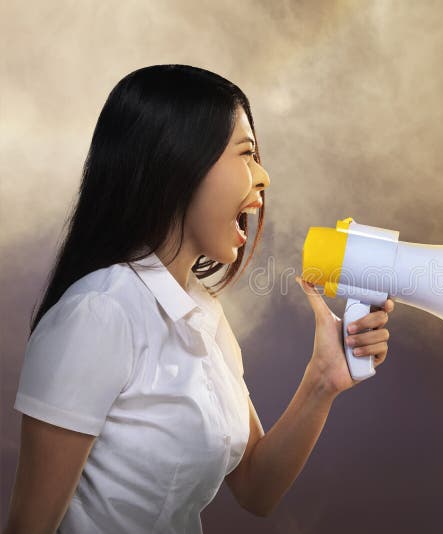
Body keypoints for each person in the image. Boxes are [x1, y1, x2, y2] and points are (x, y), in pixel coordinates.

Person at [4, 64, 393, 533]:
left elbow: (255, 487)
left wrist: (323, 380)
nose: (263, 176)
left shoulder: (203, 313)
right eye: (246, 154)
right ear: (179, 163)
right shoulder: (99, 314)